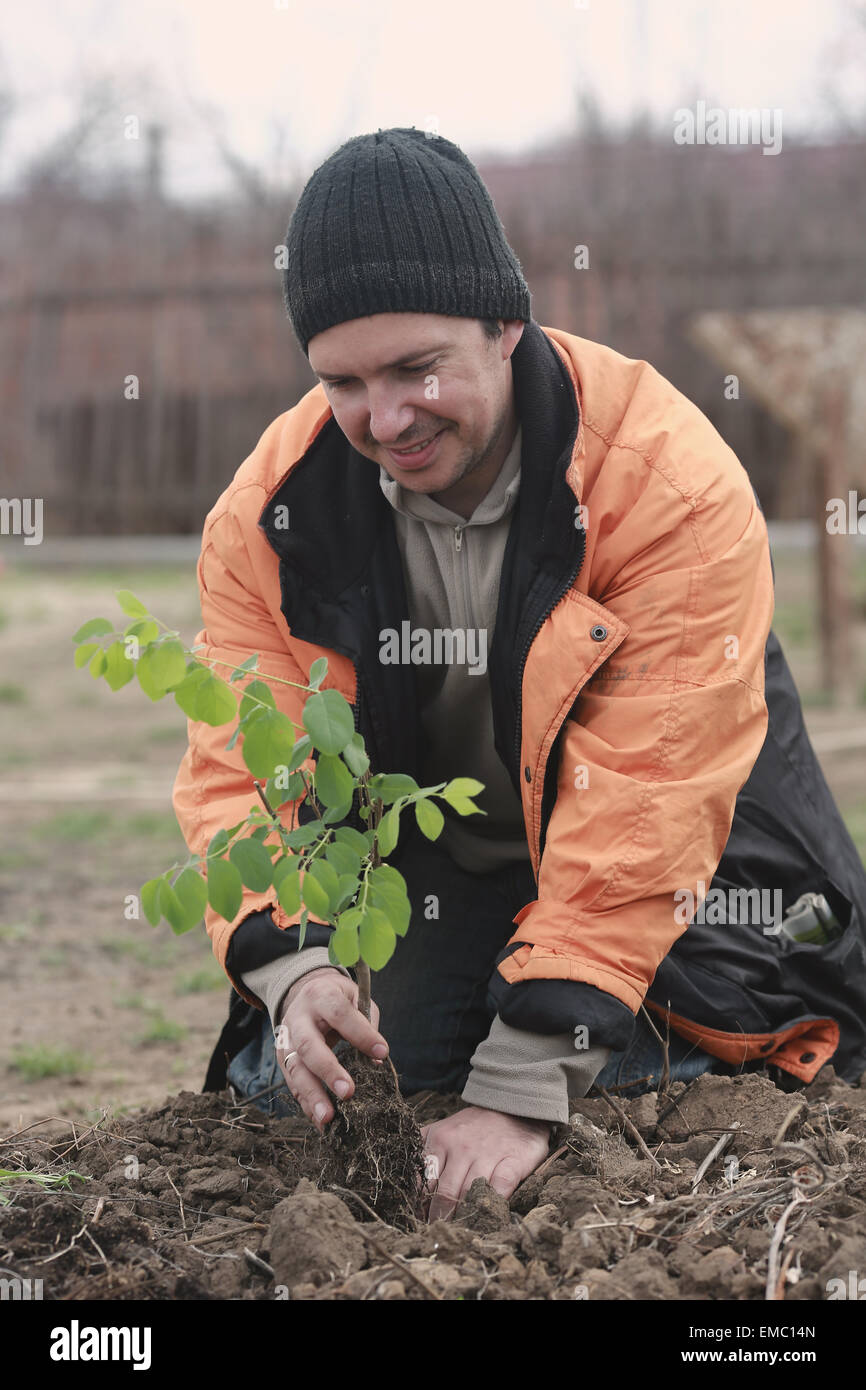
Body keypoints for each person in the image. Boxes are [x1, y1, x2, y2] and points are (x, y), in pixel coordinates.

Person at [172, 126, 866, 1221]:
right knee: (313, 1084)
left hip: (697, 849)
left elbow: (650, 802)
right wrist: (296, 969)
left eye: (415, 369)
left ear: (506, 324)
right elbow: (242, 778)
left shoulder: (661, 483)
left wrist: (525, 1089)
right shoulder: (270, 516)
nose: (384, 419)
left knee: (657, 1073)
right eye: (342, 381)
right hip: (452, 871)